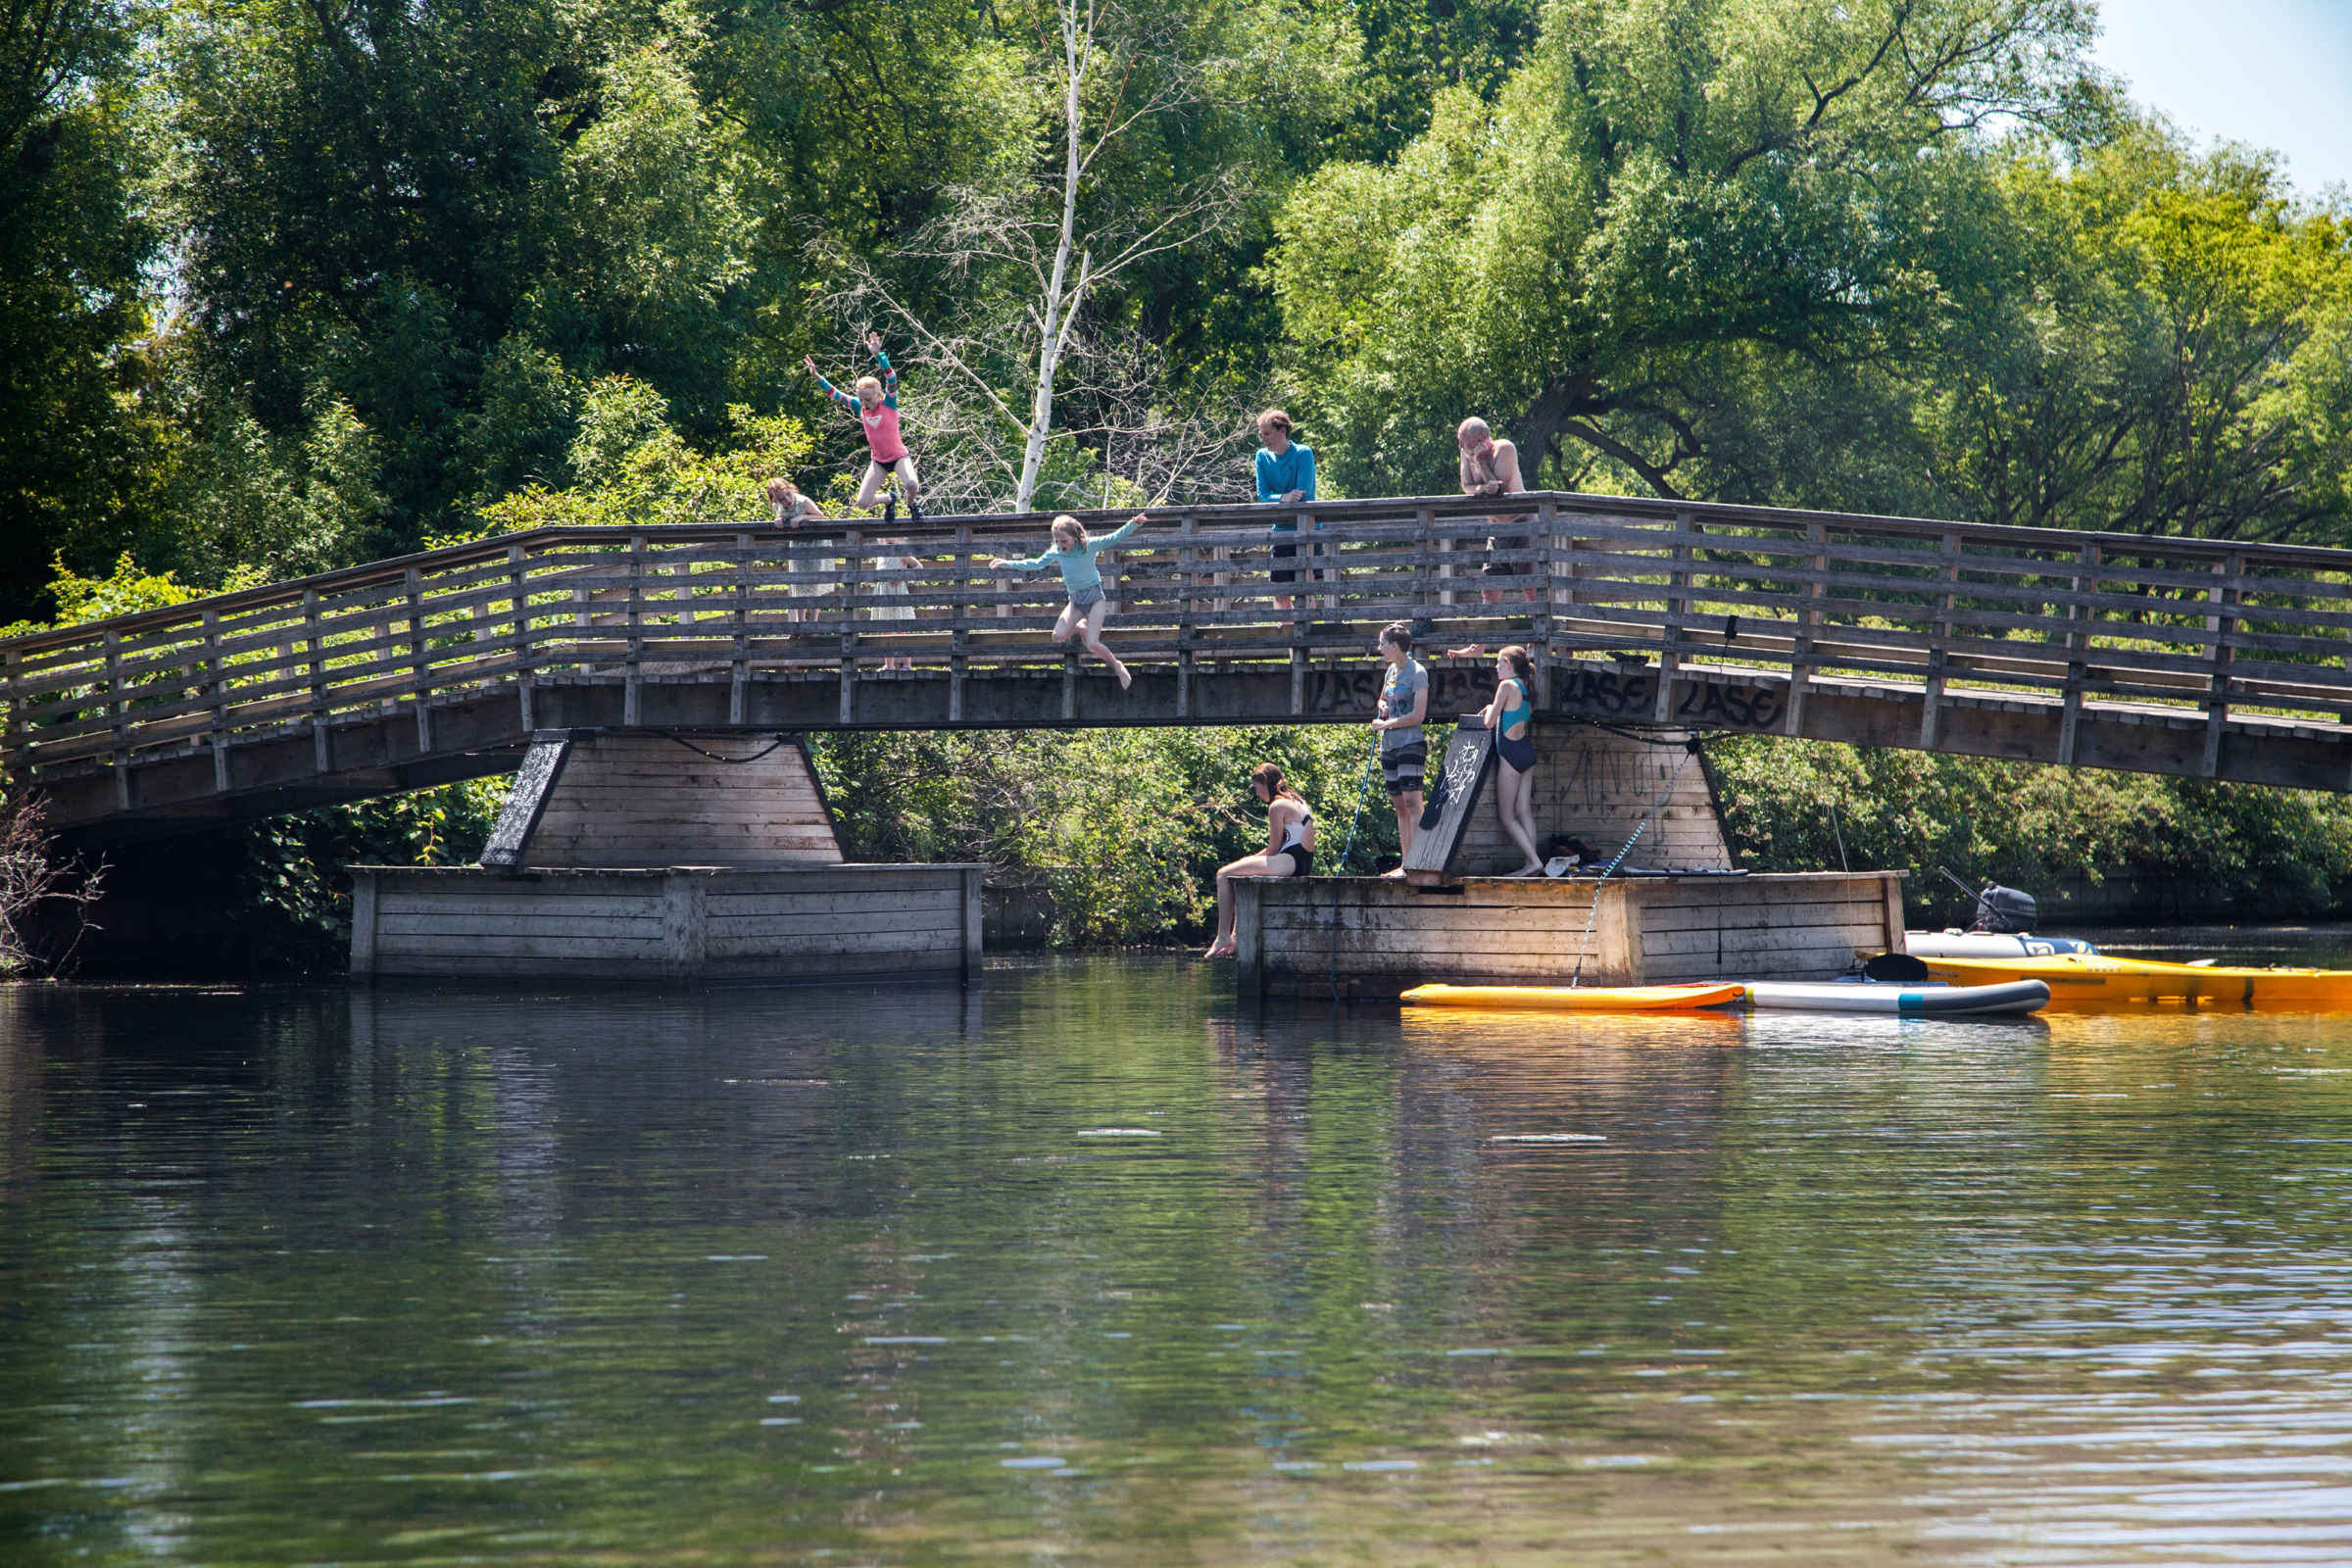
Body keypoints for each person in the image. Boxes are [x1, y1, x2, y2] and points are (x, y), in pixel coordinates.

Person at [990, 513, 1147, 690]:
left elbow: (1113, 538)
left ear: (1075, 536)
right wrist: (1007, 563)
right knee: (1057, 636)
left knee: (1092, 644)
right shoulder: (1056, 551)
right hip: (1076, 601)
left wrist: (1133, 524)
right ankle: (1080, 626)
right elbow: (1035, 563)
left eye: (1064, 541)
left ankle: (1117, 666)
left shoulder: (1089, 546)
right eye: (1057, 541)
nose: (1060, 545)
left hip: (1095, 599)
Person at [804, 331, 924, 520]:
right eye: (861, 399)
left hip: (899, 456)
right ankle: (889, 499)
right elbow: (836, 394)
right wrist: (817, 377)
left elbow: (892, 379)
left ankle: (911, 504)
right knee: (862, 503)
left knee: (912, 484)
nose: (864, 402)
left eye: (867, 399)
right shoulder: (860, 407)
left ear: (878, 395)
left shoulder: (889, 404)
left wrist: (878, 354)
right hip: (879, 461)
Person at [1201, 761, 1316, 959]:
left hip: (1290, 860)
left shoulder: (1277, 806)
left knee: (1223, 874)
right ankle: (1235, 937)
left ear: (1265, 784)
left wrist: (1248, 859)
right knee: (1239, 872)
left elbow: (1273, 849)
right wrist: (1248, 861)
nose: (1257, 793)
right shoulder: (1296, 800)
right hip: (1300, 861)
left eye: (1256, 788)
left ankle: (1222, 936)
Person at [1446, 416, 1537, 660]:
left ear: (1479, 440)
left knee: (1531, 588)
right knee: (1489, 590)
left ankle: (1536, 643)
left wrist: (1481, 462)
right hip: (1496, 529)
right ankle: (1478, 647)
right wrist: (1480, 487)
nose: (1461, 448)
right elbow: (1466, 486)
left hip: (1522, 524)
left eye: (1464, 442)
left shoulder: (1504, 449)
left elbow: (1499, 490)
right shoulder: (1466, 454)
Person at [1477, 644, 1544, 876]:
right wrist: (1493, 708)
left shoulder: (1505, 686)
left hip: (1511, 755)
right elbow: (1510, 712)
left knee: (1507, 816)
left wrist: (1488, 710)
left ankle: (1534, 861)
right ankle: (1531, 863)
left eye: (1498, 662)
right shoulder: (1525, 686)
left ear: (1508, 664)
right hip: (1527, 752)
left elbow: (1489, 723)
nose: (1495, 667)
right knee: (1524, 811)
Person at [1371, 620, 1428, 875]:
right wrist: (1382, 708)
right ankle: (1406, 863)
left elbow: (1418, 715)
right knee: (1399, 805)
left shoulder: (1417, 673)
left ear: (1394, 646)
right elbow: (1382, 699)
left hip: (1410, 743)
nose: (1380, 648)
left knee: (1412, 801)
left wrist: (1389, 724)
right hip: (1389, 746)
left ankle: (1418, 860)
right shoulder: (1390, 672)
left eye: (1382, 644)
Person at [1254, 409, 1317, 612]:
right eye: (1261, 433)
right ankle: (1288, 640)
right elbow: (1263, 495)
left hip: (1307, 528)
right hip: (1280, 530)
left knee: (1307, 590)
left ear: (1282, 431)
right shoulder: (1262, 457)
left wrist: (1288, 498)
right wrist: (1283, 497)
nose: (1263, 439)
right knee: (1280, 593)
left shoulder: (1303, 453)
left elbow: (1304, 494)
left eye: (1267, 433)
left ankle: (1309, 639)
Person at [767, 476, 838, 635]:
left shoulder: (803, 501)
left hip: (815, 545)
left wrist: (803, 517)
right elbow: (780, 515)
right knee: (798, 583)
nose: (786, 500)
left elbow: (821, 516)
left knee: (814, 584)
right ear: (776, 500)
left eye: (787, 495)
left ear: (790, 489)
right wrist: (778, 519)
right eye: (781, 499)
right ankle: (800, 623)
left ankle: (812, 623)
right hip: (798, 546)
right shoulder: (778, 506)